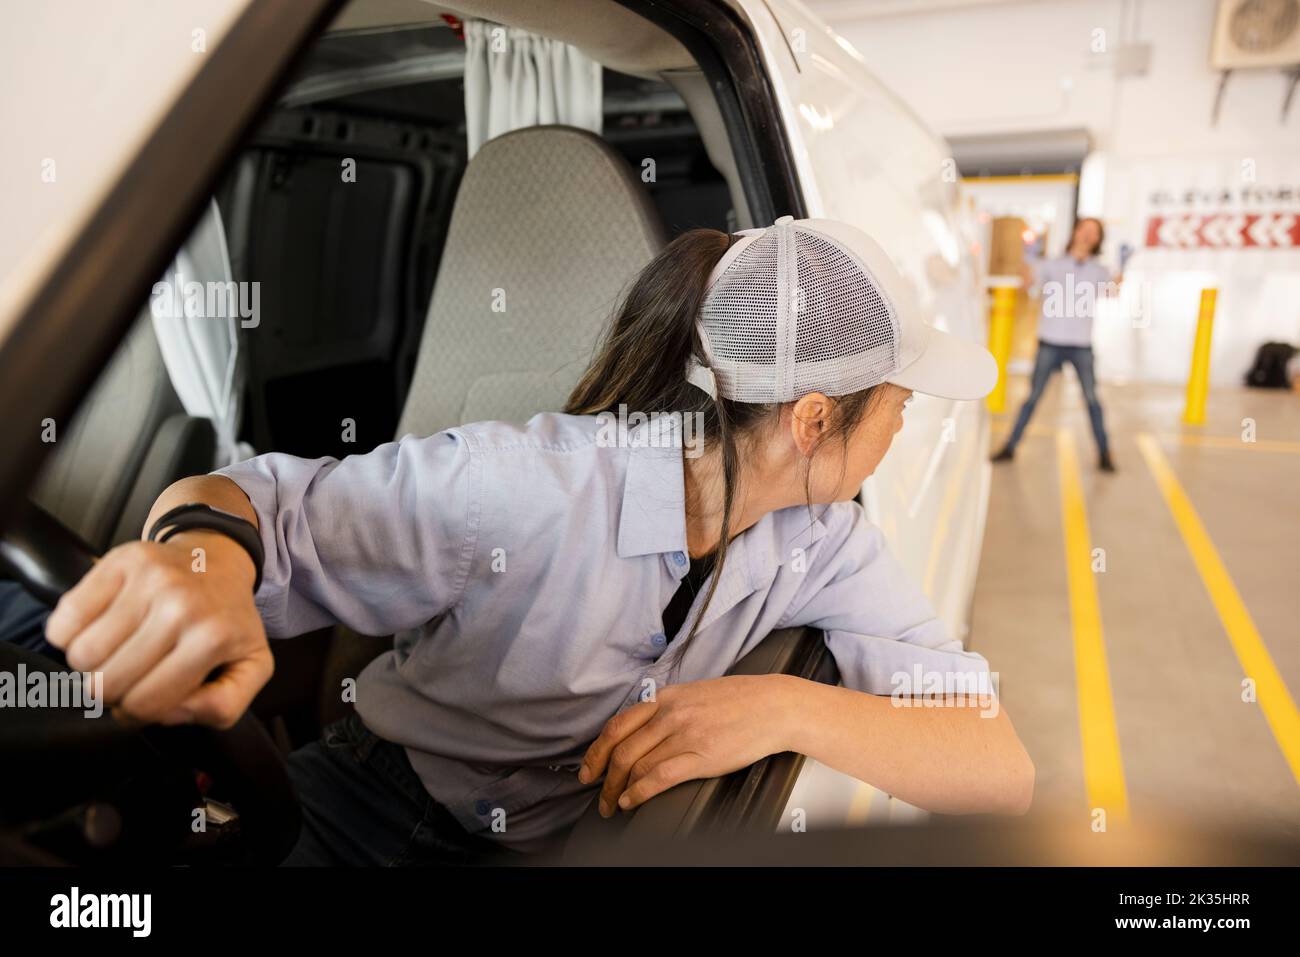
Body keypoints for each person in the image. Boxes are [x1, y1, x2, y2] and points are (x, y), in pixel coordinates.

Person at [41, 217, 1034, 864]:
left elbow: (997, 768)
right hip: (367, 804)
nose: (905, 428)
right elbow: (252, 502)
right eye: (897, 404)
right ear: (812, 420)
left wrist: (786, 709)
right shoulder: (530, 485)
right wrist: (196, 563)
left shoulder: (821, 543)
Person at [991, 217, 1118, 471]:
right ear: (1076, 232)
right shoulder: (1052, 265)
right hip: (1050, 342)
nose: (1088, 235)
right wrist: (1027, 260)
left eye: (1094, 233)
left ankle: (1104, 453)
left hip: (1081, 345)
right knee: (1033, 397)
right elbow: (1028, 285)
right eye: (1085, 229)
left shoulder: (1099, 270)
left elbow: (1112, 293)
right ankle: (1010, 446)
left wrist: (1121, 275)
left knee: (1092, 399)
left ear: (1098, 240)